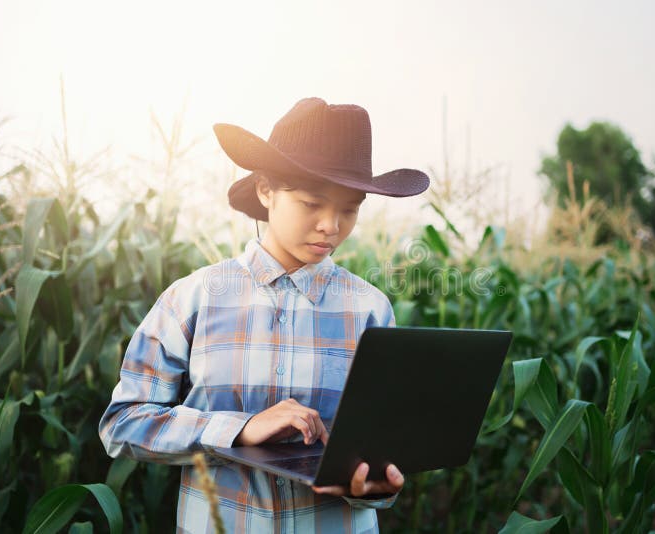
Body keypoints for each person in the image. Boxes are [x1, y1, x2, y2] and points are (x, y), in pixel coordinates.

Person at [98, 97, 430, 533]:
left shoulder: (369, 309)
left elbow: (384, 445)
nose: (331, 225)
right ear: (265, 191)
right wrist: (239, 429)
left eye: (349, 209)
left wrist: (377, 488)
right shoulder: (193, 298)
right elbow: (123, 423)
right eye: (312, 203)